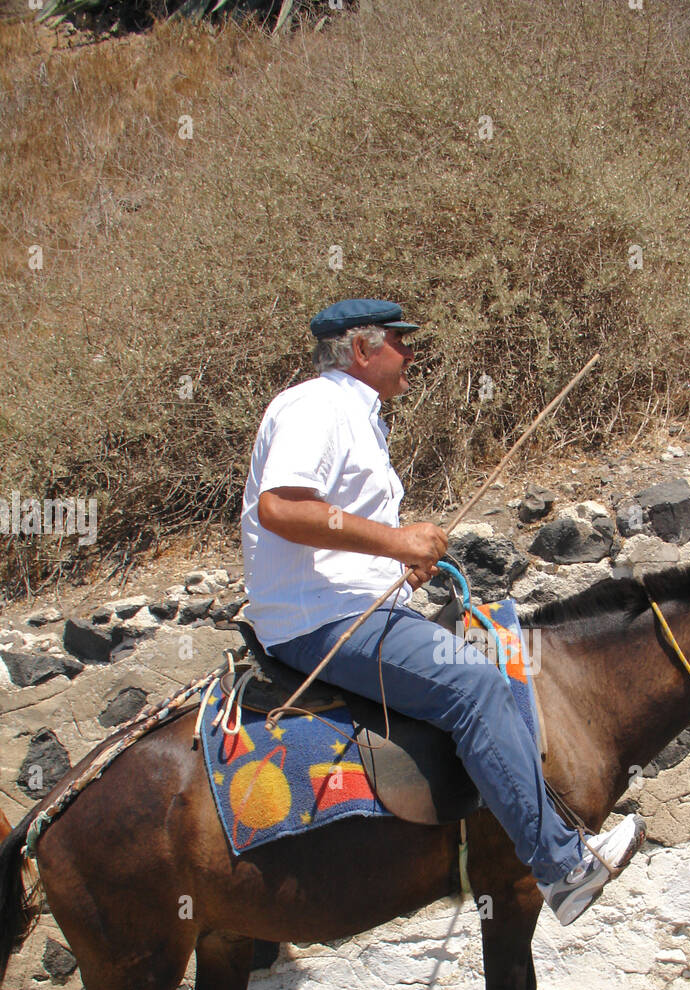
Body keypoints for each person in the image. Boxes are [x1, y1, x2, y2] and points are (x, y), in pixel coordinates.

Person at [240, 297, 644, 924]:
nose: (412, 355)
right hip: (323, 621)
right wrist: (395, 541)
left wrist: (390, 563)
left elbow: (333, 525)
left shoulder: (359, 415)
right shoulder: (317, 406)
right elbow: (282, 508)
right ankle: (562, 868)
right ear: (362, 349)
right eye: (401, 343)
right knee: (476, 687)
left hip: (349, 603)